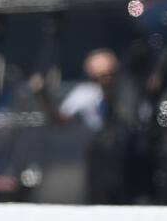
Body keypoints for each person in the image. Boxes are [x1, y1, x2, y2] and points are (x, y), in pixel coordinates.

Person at [58, 48, 139, 204]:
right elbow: (61, 121)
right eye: (100, 77)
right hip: (97, 163)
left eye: (110, 75)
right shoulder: (84, 94)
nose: (106, 81)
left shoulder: (129, 94)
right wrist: (44, 99)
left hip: (126, 162)